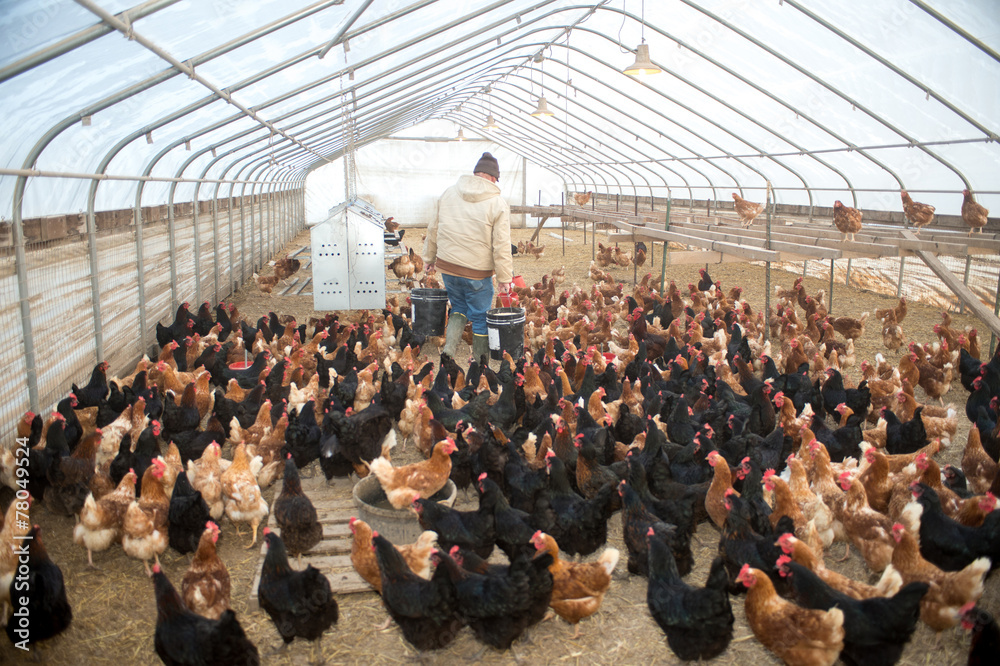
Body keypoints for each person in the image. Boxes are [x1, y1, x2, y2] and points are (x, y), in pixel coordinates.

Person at [423, 152, 513, 361]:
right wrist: (504, 278)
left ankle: (448, 354)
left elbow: (433, 228)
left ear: (475, 174)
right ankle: (480, 365)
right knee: (480, 317)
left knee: (459, 307)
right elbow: (501, 245)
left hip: (448, 268)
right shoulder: (497, 203)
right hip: (476, 272)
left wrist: (429, 258)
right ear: (492, 178)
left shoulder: (448, 193)